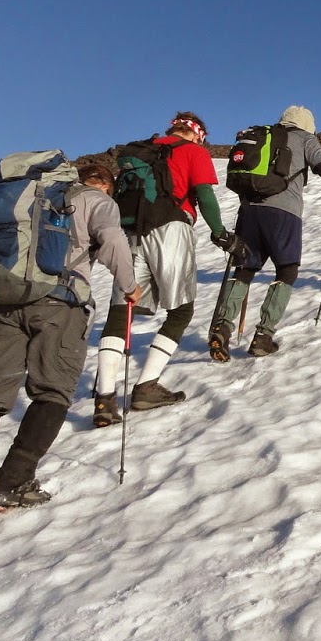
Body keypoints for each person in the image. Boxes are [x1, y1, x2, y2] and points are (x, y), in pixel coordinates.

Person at [0, 162, 139, 527]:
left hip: (5, 302)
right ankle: (10, 483)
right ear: (106, 185)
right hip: (59, 305)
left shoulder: (32, 198)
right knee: (52, 393)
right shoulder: (96, 200)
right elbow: (112, 240)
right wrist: (129, 285)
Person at [92, 112, 229, 427]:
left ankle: (104, 397)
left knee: (122, 306)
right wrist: (220, 232)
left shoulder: (140, 153)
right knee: (181, 310)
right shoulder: (193, 151)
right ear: (197, 134)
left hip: (130, 232)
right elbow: (205, 196)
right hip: (170, 228)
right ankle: (146, 386)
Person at [209, 106, 321, 360]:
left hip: (249, 212)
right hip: (283, 214)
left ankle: (222, 326)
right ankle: (263, 336)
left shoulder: (265, 136)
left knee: (245, 269)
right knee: (287, 269)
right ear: (307, 124)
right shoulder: (305, 138)